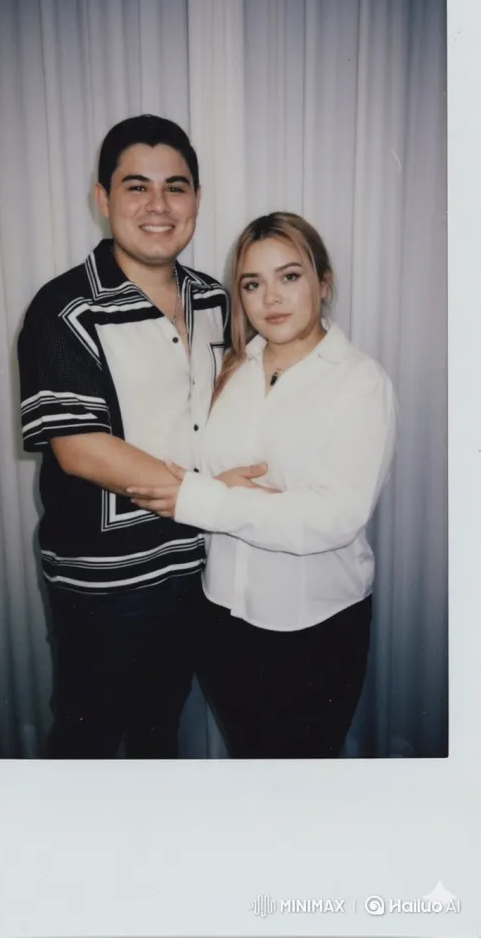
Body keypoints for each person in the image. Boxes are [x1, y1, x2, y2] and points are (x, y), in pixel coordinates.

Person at [17, 114, 264, 759]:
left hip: (201, 568)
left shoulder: (217, 300)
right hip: (106, 586)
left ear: (197, 200)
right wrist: (209, 492)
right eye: (136, 186)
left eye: (176, 187)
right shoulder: (66, 309)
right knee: (87, 741)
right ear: (103, 199)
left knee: (161, 735)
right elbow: (79, 446)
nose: (158, 206)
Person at [128, 211, 399, 758]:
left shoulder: (358, 382)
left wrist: (209, 501)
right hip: (221, 613)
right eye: (253, 284)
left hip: (314, 628)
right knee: (251, 763)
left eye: (289, 276)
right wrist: (217, 490)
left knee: (298, 786)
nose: (270, 298)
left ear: (323, 282)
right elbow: (206, 471)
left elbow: (334, 518)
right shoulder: (231, 369)